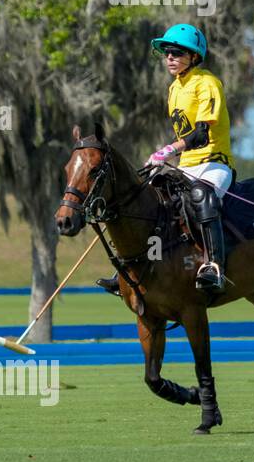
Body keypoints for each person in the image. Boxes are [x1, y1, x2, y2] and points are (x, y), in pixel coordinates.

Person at [97, 23, 236, 296]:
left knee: (201, 196)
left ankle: (214, 265)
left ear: (194, 56)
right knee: (148, 197)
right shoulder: (174, 88)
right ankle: (128, 268)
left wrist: (168, 150)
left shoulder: (207, 83)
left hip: (214, 163)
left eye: (176, 52)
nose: (169, 58)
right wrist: (165, 158)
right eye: (166, 53)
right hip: (186, 166)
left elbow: (201, 133)